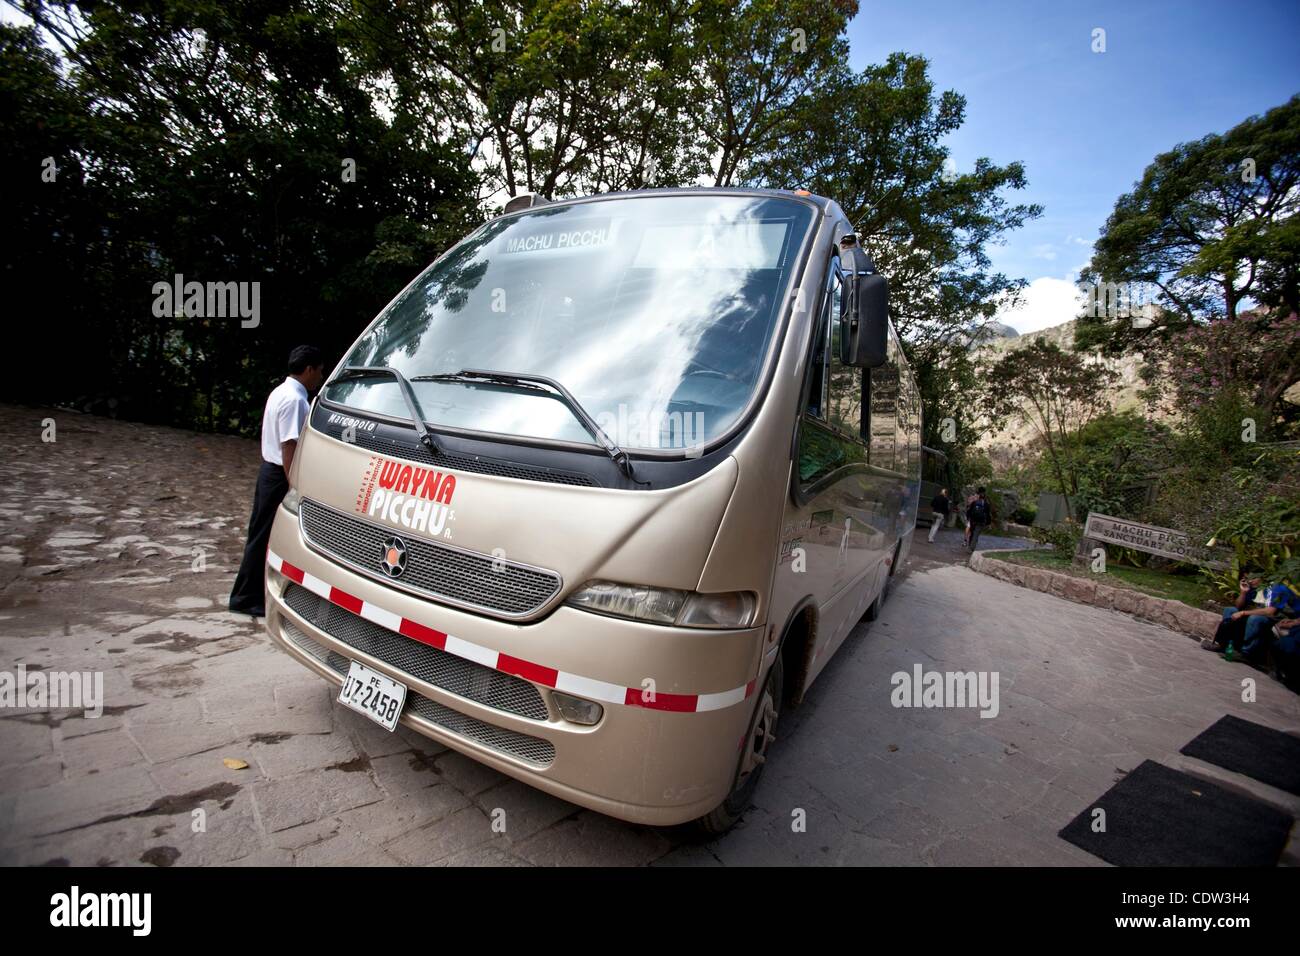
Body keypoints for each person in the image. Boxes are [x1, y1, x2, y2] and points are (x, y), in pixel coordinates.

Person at [228, 345, 327, 616]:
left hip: (268, 470)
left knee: (259, 533)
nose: (320, 377)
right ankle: (246, 597)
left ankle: (249, 593)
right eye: (319, 371)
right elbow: (289, 446)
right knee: (264, 536)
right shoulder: (296, 400)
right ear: (308, 369)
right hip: (278, 473)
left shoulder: (279, 391)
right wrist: (294, 482)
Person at [1202, 576, 1300, 663]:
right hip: (1261, 614)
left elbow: (1270, 612)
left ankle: (1246, 653)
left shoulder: (1277, 588)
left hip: (1279, 620)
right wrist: (1243, 592)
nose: (1250, 581)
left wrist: (1244, 613)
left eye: (1253, 578)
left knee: (1255, 619)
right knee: (1230, 610)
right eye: (1249, 578)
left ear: (1262, 578)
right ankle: (1224, 645)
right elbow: (1238, 606)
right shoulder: (1255, 589)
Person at [965, 487, 993, 552]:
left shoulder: (974, 502)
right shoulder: (986, 504)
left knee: (972, 533)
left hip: (973, 520)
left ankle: (970, 546)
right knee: (976, 534)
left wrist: (968, 518)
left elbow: (969, 511)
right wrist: (988, 523)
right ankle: (971, 548)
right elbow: (988, 514)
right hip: (981, 522)